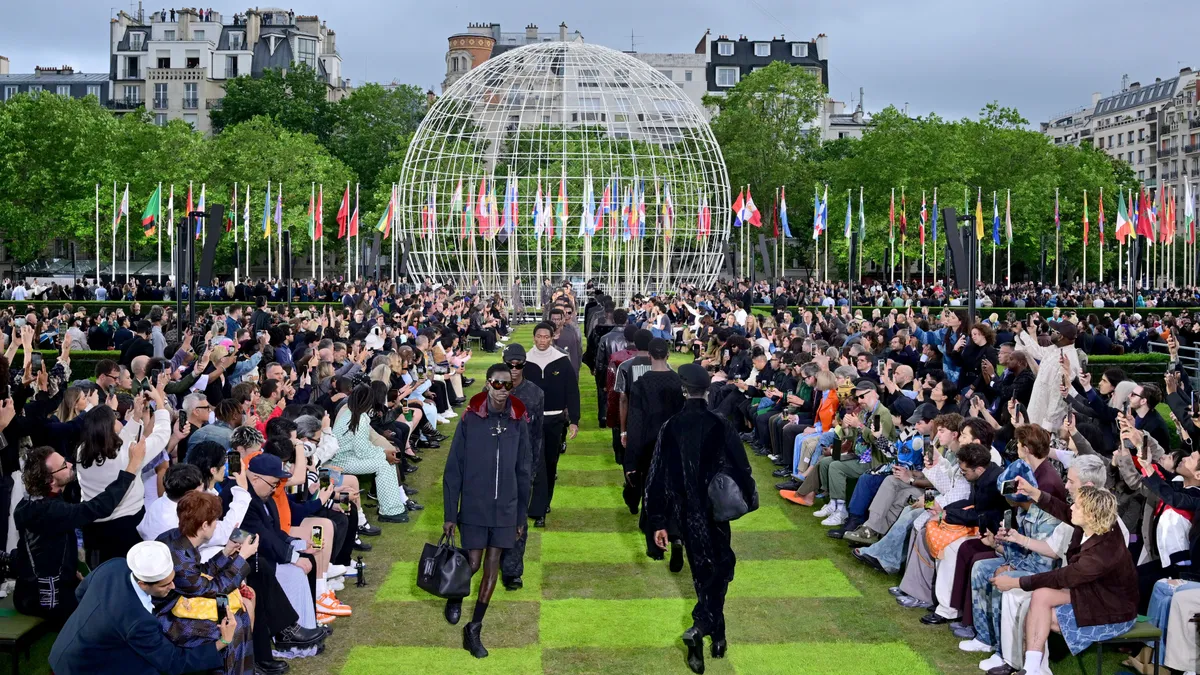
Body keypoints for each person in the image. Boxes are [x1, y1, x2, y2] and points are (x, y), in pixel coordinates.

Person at [644, 363, 756, 674]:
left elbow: (657, 480)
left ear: (683, 390)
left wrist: (658, 522)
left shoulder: (671, 426)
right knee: (720, 571)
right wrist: (746, 496)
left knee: (706, 575)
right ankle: (702, 628)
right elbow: (741, 467)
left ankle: (716, 636)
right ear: (706, 390)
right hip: (715, 514)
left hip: (685, 515)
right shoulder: (720, 424)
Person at [442, 363, 533, 658]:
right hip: (474, 505)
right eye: (497, 384)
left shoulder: (519, 420)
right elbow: (453, 469)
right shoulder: (470, 418)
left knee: (492, 565)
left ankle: (474, 628)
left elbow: (524, 470)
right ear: (487, 383)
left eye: (507, 385)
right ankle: (455, 593)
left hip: (506, 508)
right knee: (474, 563)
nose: (502, 391)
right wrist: (449, 514)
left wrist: (521, 516)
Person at [48, 540, 233, 675]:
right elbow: (173, 662)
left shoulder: (114, 565)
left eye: (172, 579)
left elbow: (80, 593)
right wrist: (222, 642)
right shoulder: (138, 621)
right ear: (143, 583)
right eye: (164, 585)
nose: (173, 587)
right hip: (82, 667)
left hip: (64, 647)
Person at [13, 440, 145, 626]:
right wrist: (132, 466)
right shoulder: (48, 511)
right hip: (45, 599)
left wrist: (69, 572)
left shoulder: (34, 502)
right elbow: (99, 507)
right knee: (110, 619)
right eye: (63, 466)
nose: (69, 464)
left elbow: (44, 548)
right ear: (50, 480)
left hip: (37, 587)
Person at [156, 491, 257, 674]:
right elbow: (212, 588)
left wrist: (226, 552)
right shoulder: (180, 557)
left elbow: (200, 574)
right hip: (171, 618)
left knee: (238, 616)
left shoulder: (176, 537)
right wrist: (242, 557)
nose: (217, 525)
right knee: (235, 622)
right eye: (215, 521)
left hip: (186, 603)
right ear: (204, 525)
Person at [623, 337, 685, 563]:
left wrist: (631, 461)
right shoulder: (679, 382)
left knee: (652, 491)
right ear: (667, 355)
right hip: (675, 443)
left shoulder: (640, 384)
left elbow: (635, 423)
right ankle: (676, 536)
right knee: (675, 490)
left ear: (649, 355)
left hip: (650, 444)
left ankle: (655, 547)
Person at [524, 322, 580, 527]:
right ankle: (537, 510)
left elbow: (572, 392)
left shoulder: (562, 361)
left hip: (555, 420)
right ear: (534, 337)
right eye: (538, 336)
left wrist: (574, 420)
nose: (542, 340)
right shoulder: (524, 362)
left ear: (551, 338)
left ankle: (543, 503)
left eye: (545, 337)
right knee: (534, 464)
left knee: (550, 462)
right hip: (528, 420)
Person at [498, 344, 544, 592]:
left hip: (521, 468)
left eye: (519, 365)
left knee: (519, 521)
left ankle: (512, 571)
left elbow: (538, 435)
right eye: (510, 365)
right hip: (493, 466)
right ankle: (493, 563)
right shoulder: (493, 391)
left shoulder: (535, 394)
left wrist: (533, 468)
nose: (514, 370)